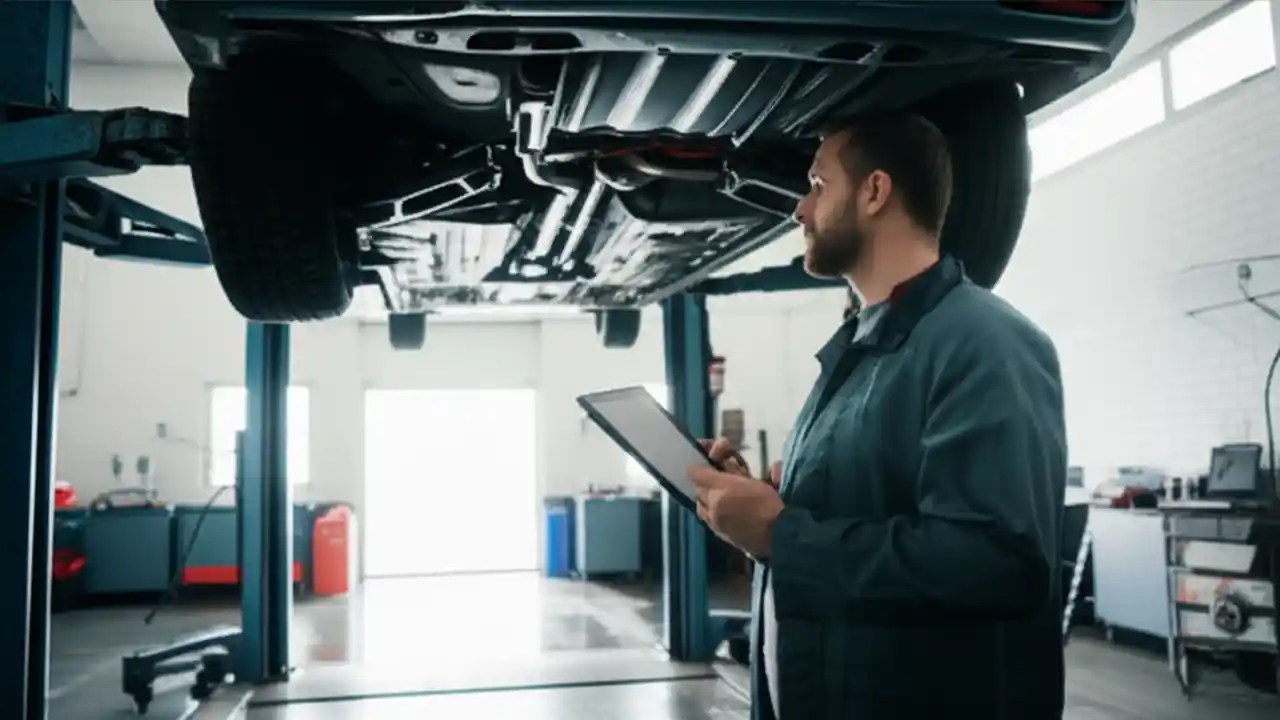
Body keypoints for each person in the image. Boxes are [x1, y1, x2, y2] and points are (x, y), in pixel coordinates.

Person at [689, 112, 1068, 719]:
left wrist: (782, 534)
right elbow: (862, 508)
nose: (800, 211)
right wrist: (764, 501)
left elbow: (993, 564)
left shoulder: (985, 340)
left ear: (874, 192)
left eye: (817, 184)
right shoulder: (861, 346)